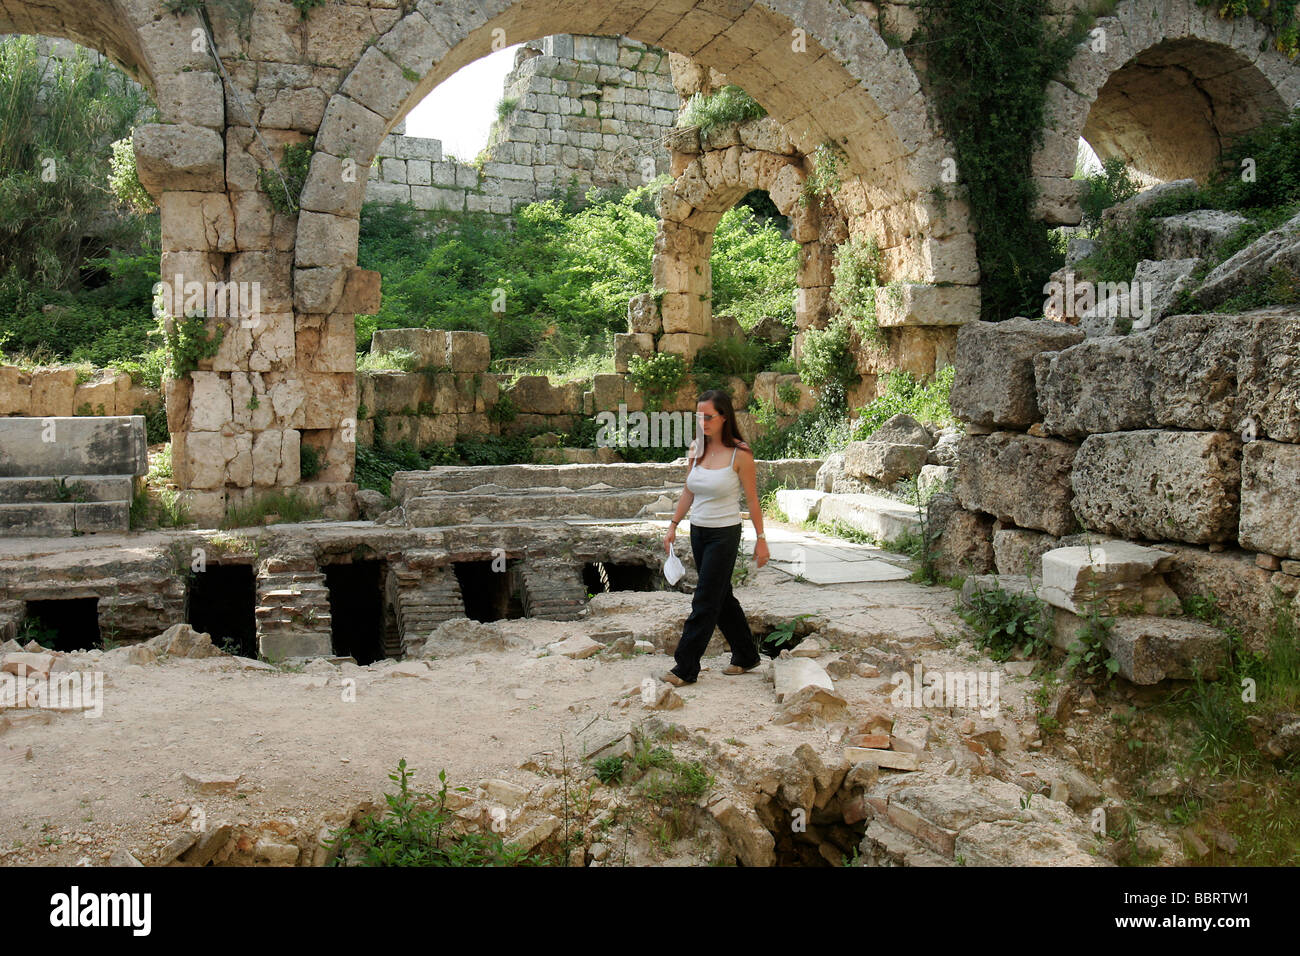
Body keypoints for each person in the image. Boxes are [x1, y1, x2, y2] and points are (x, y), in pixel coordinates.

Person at [661, 389, 769, 686]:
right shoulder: (696, 448)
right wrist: (673, 525)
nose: (702, 422)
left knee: (705, 599)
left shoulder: (741, 453)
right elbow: (688, 490)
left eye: (708, 417)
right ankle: (747, 655)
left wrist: (761, 538)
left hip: (725, 534)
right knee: (721, 596)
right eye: (699, 416)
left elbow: (753, 499)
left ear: (724, 417)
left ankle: (685, 668)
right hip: (699, 531)